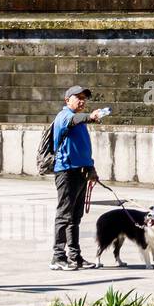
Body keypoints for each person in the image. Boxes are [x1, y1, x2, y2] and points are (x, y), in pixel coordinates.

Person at [50, 85, 108, 271]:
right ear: (67, 100)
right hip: (67, 172)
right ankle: (58, 257)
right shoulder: (65, 116)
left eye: (84, 98)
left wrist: (91, 169)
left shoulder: (80, 122)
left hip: (81, 171)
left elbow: (82, 148)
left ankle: (74, 256)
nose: (82, 101)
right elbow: (74, 119)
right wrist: (90, 116)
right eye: (78, 97)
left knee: (75, 217)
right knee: (64, 215)